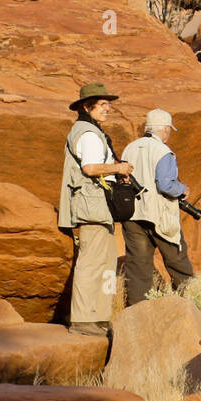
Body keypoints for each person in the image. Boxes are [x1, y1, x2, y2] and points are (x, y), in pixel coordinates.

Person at [58, 82, 132, 337]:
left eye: (108, 104)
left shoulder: (92, 131)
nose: (107, 109)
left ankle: (99, 317)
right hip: (91, 206)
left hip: (99, 207)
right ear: (87, 107)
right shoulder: (87, 133)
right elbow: (90, 168)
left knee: (106, 263)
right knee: (92, 263)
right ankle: (82, 320)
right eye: (102, 105)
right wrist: (118, 169)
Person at [120, 109, 195, 305]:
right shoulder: (163, 151)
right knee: (177, 263)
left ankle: (137, 313)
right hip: (160, 216)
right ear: (164, 129)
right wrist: (183, 189)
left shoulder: (129, 148)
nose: (169, 135)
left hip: (133, 214)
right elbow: (165, 185)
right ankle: (193, 307)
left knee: (138, 268)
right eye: (169, 130)